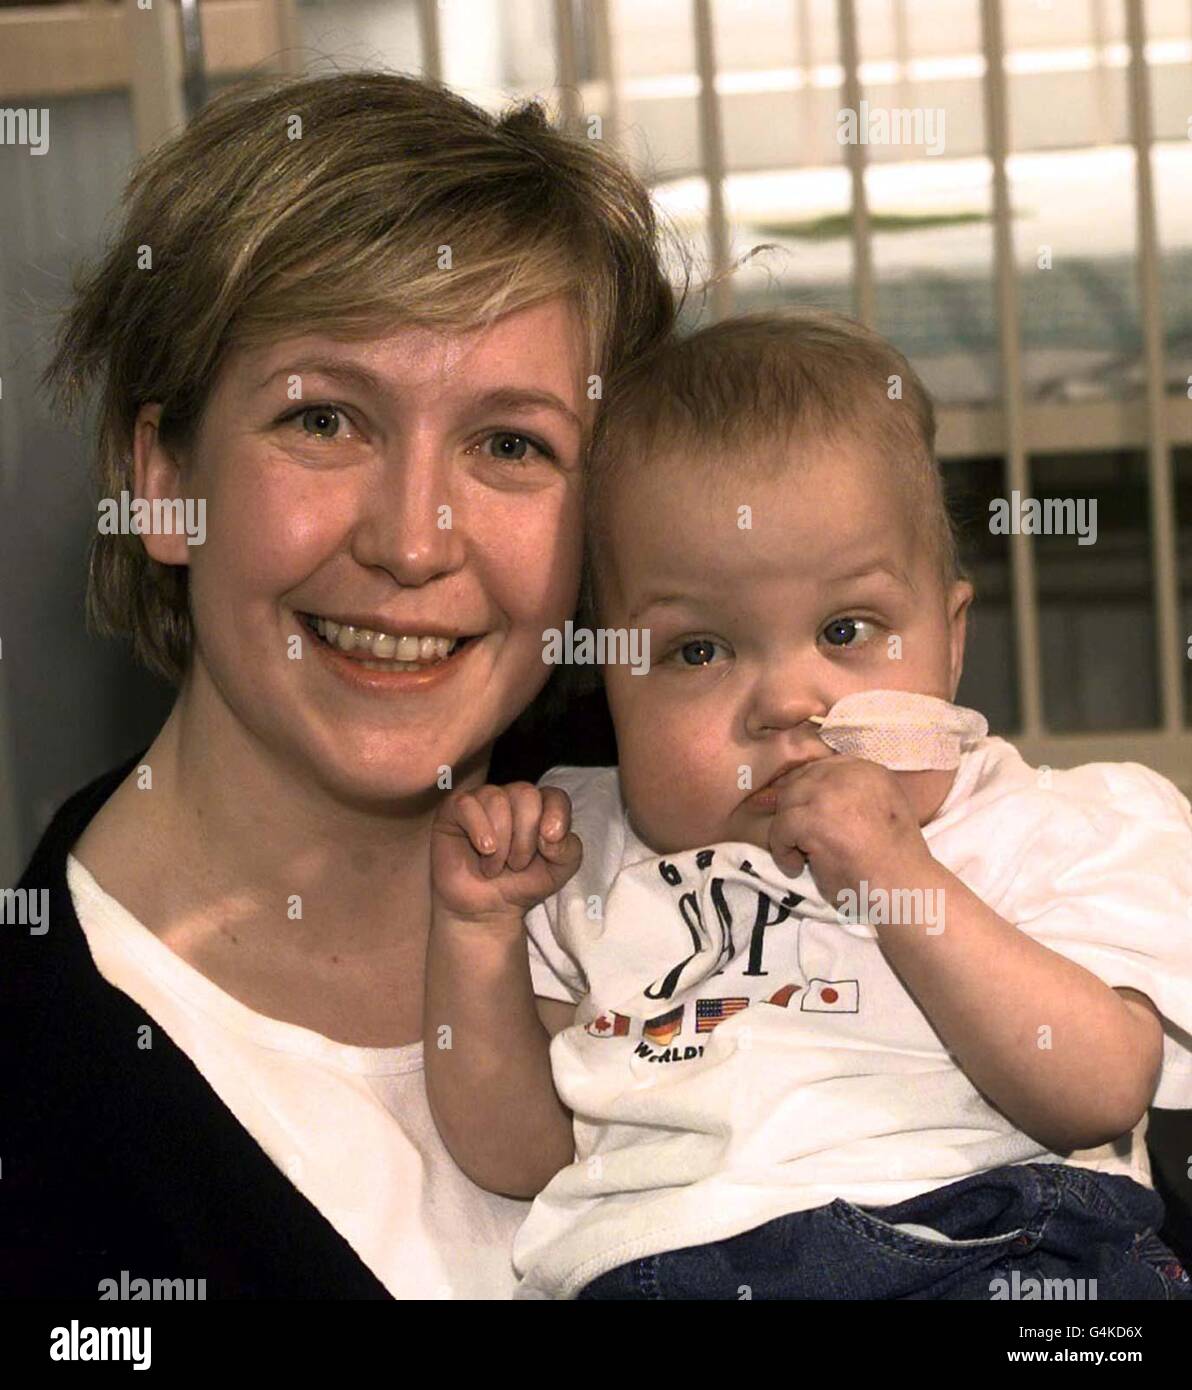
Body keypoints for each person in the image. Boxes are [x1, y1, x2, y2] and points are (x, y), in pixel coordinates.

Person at [0, 69, 675, 1298]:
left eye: (511, 444)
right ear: (162, 480)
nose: (412, 543)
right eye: (324, 421)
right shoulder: (31, 1099)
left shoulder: (748, 924)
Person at [424, 309, 1192, 1300]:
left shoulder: (1050, 826)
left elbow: (1094, 1089)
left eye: (845, 628)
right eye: (698, 650)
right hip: (660, 1270)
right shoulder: (572, 855)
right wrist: (477, 937)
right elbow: (518, 1154)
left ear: (949, 640)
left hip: (991, 1242)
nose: (788, 702)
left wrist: (895, 872)